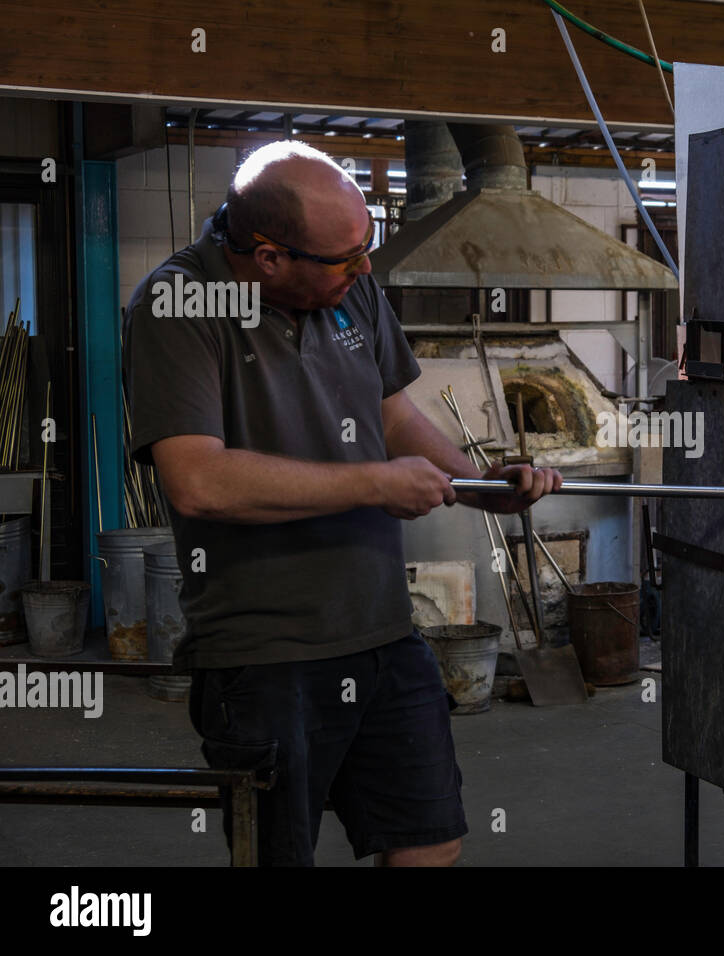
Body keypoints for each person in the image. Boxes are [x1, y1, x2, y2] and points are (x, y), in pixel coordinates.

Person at [123, 140, 561, 866]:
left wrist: (486, 484)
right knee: (279, 854)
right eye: (344, 258)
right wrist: (372, 484)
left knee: (430, 842)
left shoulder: (349, 286)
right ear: (268, 258)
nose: (364, 270)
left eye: (367, 249)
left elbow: (394, 418)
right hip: (266, 653)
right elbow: (198, 480)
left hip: (384, 632)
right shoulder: (177, 305)